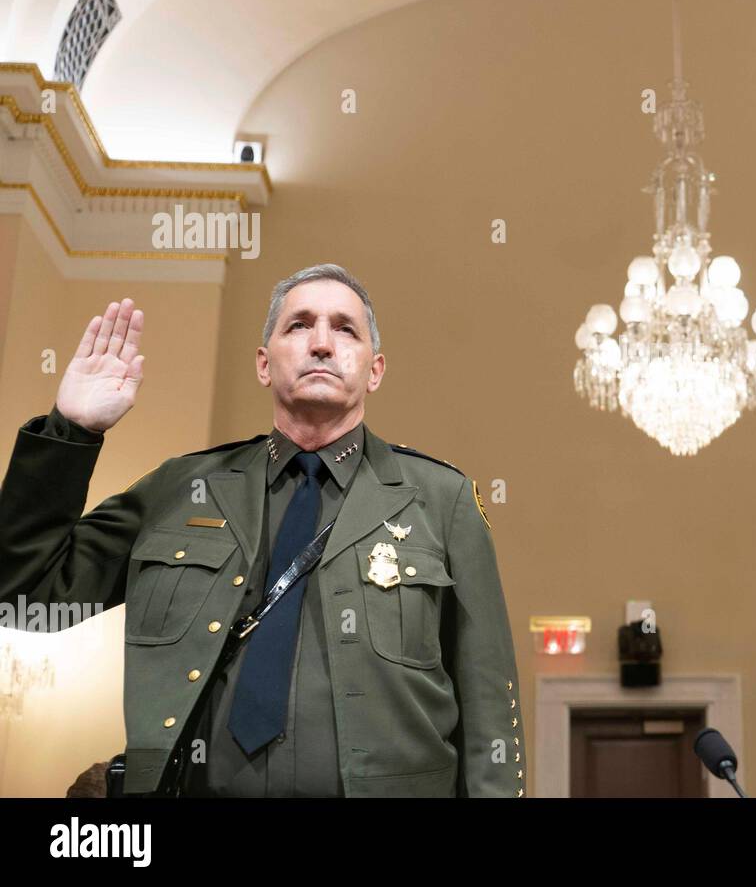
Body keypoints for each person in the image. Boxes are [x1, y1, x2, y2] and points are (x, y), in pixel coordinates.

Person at [0, 263, 525, 796]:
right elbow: (23, 595)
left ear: (376, 370)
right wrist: (73, 430)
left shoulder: (441, 500)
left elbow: (489, 701)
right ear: (263, 364)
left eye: (345, 329)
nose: (321, 343)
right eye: (298, 325)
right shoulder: (181, 488)